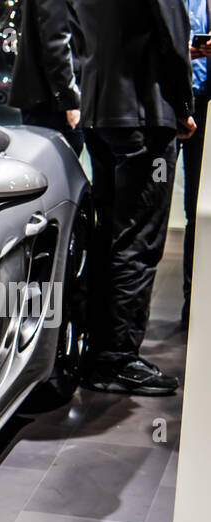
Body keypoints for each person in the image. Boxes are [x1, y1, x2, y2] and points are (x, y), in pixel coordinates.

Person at [75, 0, 197, 396]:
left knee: (109, 234)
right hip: (144, 117)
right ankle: (116, 360)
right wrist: (184, 107)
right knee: (138, 240)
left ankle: (96, 353)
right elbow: (175, 45)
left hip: (100, 113)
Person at [11, 0, 84, 153]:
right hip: (52, 100)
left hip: (46, 95)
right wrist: (69, 100)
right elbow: (56, 42)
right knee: (61, 163)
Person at [183, 0, 210, 324]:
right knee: (152, 205)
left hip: (203, 110)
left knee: (197, 208)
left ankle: (194, 304)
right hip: (162, 112)